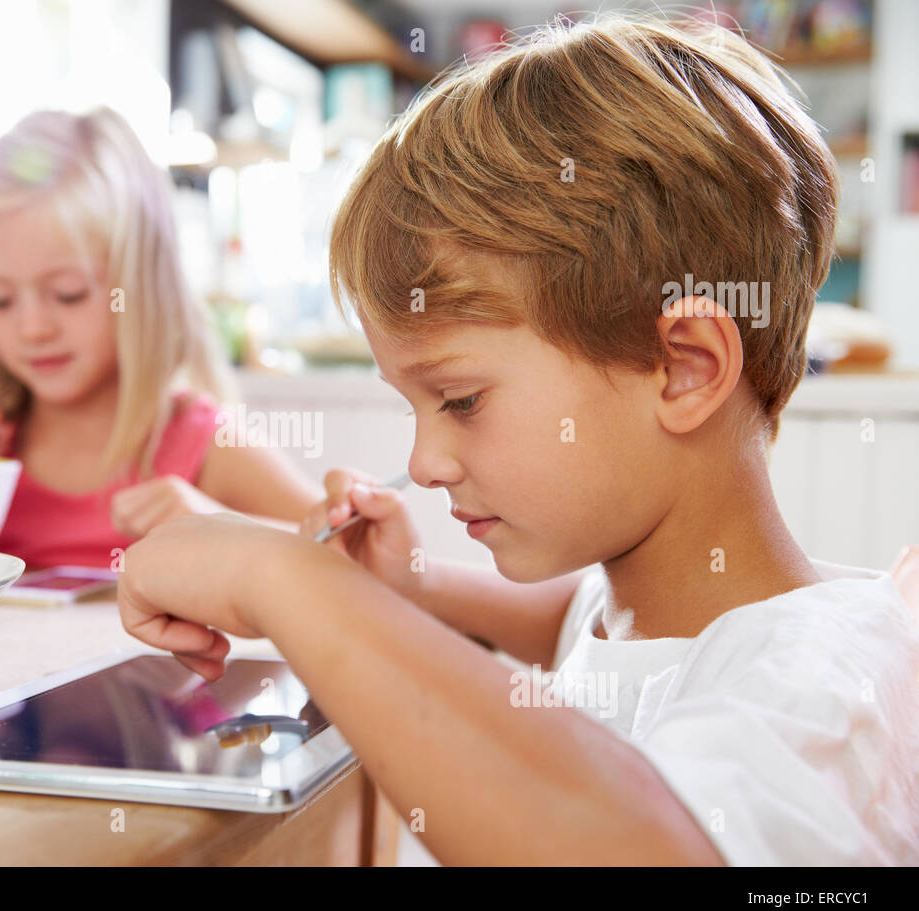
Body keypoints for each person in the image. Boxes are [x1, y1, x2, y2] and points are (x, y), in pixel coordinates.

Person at [113, 15, 919, 865]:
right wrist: (411, 587)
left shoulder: (827, 693)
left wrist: (284, 580)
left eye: (460, 400)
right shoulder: (653, 605)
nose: (424, 465)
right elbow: (568, 625)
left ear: (683, 370)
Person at [0, 108, 320, 567]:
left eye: (68, 294)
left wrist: (227, 531)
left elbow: (355, 567)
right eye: (0, 300)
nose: (33, 328)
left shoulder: (206, 446)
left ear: (139, 285)